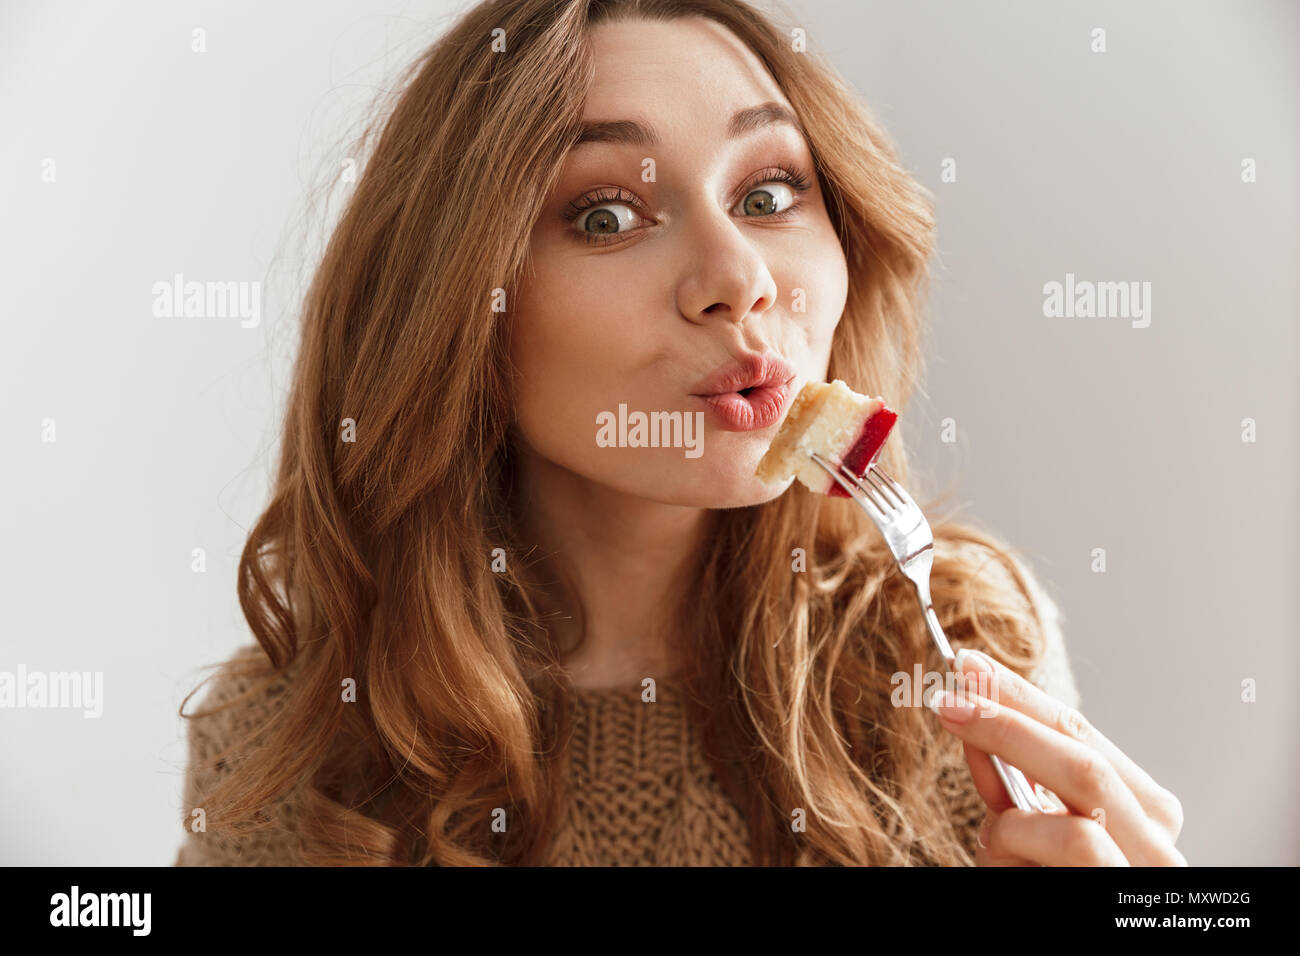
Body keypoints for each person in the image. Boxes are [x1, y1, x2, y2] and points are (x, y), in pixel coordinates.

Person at [175, 0, 1185, 867]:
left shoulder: (950, 650)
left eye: (768, 193)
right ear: (457, 308)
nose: (738, 275)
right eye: (607, 215)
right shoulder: (289, 744)